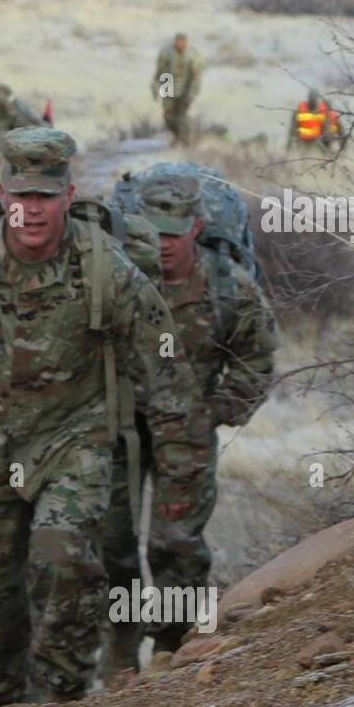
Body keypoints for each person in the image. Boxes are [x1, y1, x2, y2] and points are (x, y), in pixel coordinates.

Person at [0, 128, 210, 707]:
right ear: (3, 194)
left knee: (64, 557)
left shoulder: (104, 264)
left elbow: (166, 368)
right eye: (22, 197)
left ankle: (63, 702)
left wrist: (182, 475)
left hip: (72, 439)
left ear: (69, 196)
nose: (32, 212)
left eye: (46, 198)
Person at [101, 172, 277, 671]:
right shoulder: (119, 278)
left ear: (195, 227)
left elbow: (258, 356)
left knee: (176, 545)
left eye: (173, 234)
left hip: (187, 432)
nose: (163, 245)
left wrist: (217, 411)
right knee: (111, 541)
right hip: (118, 428)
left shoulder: (227, 285)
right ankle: (119, 647)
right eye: (153, 232)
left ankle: (173, 648)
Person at [151, 33, 204, 143]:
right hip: (168, 84)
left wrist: (192, 92)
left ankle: (184, 141)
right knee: (168, 116)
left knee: (182, 116)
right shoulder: (166, 53)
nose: (180, 44)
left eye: (182, 42)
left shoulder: (192, 55)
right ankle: (177, 136)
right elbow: (159, 71)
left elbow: (196, 76)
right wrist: (155, 87)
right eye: (178, 41)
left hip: (186, 88)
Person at [287, 89, 340, 155]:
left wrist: (327, 145)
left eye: (314, 98)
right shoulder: (299, 110)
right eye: (311, 98)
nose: (313, 100)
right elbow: (292, 128)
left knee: (314, 159)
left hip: (316, 143)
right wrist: (289, 144)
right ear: (308, 97)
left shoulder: (322, 112)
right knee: (303, 159)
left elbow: (326, 128)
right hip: (302, 142)